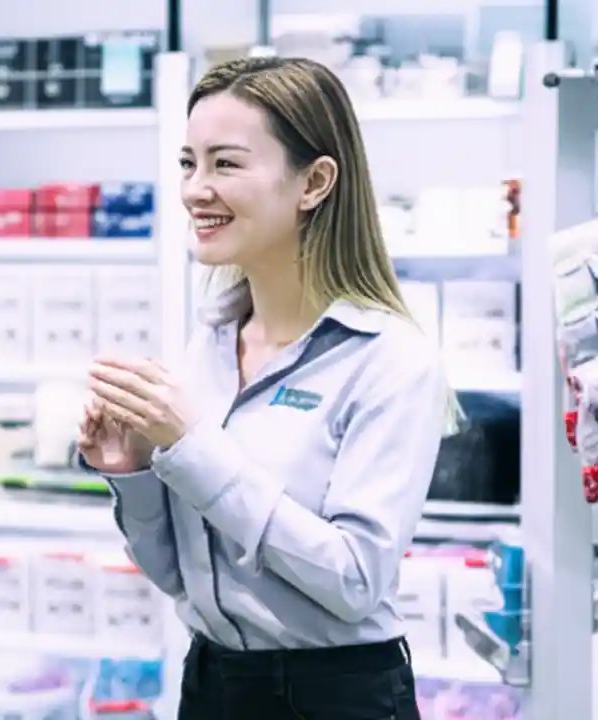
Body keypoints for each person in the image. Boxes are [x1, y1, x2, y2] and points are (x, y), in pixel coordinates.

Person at [79, 56, 454, 720]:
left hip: (336, 697)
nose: (196, 190)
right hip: (213, 682)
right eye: (189, 163)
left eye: (225, 164)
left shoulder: (390, 360)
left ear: (315, 181)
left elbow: (354, 581)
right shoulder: (210, 343)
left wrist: (192, 448)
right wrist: (132, 474)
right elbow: (179, 577)